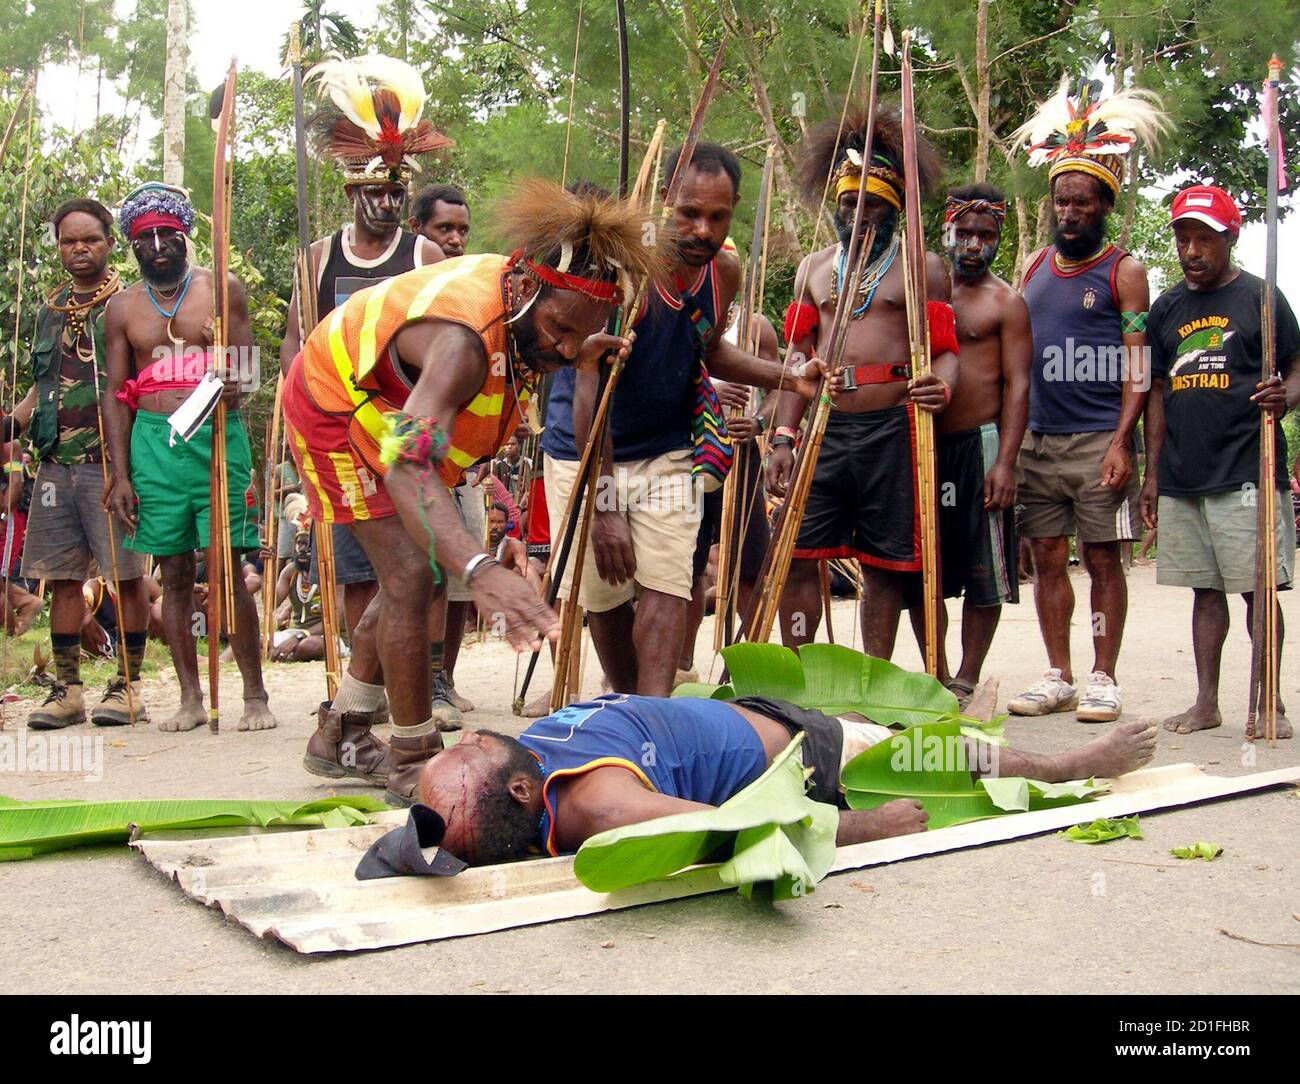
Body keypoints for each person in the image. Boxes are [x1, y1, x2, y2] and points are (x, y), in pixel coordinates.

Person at [284, 178, 668, 802]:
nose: (566, 348)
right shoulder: (464, 342)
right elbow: (408, 468)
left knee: (409, 573)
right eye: (560, 330)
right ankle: (412, 758)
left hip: (390, 408)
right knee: (413, 573)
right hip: (333, 401)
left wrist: (582, 355)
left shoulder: (533, 310)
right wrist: (480, 566)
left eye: (582, 334)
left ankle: (341, 730)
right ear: (522, 290)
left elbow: (432, 438)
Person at [540, 148, 833, 698]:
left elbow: (709, 349)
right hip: (582, 450)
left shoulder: (722, 271)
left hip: (669, 449)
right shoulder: (617, 265)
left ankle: (658, 719)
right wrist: (602, 508)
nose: (703, 230)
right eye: (688, 214)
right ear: (661, 202)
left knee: (670, 584)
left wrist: (788, 378)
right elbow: (587, 385)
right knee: (604, 597)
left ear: (734, 210)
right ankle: (631, 710)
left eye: (717, 217)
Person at [416, 687, 1159, 865]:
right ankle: (1066, 765)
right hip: (804, 754)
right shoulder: (602, 810)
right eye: (472, 747)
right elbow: (724, 834)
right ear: (520, 791)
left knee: (908, 730)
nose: (472, 734)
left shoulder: (498, 782)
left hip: (738, 711)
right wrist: (857, 827)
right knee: (932, 751)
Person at [281, 57, 449, 707]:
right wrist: (298, 451)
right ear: (353, 193)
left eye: (396, 190)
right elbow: (299, 349)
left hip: (405, 428)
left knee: (421, 566)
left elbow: (444, 344)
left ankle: (391, 687)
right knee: (361, 574)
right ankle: (367, 692)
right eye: (376, 192)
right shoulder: (317, 261)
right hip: (339, 431)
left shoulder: (423, 257)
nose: (388, 201)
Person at [768, 105, 959, 658]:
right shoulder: (812, 269)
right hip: (825, 427)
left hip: (892, 430)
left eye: (872, 206)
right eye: (849, 205)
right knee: (797, 552)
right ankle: (800, 677)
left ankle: (871, 681)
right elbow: (797, 358)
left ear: (894, 208)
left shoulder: (923, 268)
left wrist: (939, 387)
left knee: (886, 562)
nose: (858, 217)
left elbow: (948, 355)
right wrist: (784, 436)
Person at [1007, 77, 1167, 723]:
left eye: (1082, 203)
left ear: (1103, 205)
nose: (1069, 212)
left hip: (1099, 439)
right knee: (1047, 557)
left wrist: (1123, 441)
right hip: (1039, 440)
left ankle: (1103, 675)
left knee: (1103, 559)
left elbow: (1141, 368)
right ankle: (1058, 674)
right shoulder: (1034, 266)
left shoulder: (1124, 271)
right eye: (1061, 202)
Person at [101, 182, 275, 733]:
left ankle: (253, 696)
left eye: (166, 235)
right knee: (174, 573)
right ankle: (190, 699)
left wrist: (222, 355)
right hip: (154, 446)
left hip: (217, 439)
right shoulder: (122, 307)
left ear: (184, 237)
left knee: (225, 567)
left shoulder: (221, 289)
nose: (156, 245)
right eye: (144, 237)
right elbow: (114, 391)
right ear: (132, 245)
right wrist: (121, 473)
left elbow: (247, 375)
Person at [1140, 185, 1299, 739]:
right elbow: (1156, 391)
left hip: (1247, 470)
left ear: (1229, 239)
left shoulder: (1262, 298)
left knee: (1256, 587)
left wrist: (1287, 395)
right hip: (1184, 474)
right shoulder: (1167, 307)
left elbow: (1297, 368)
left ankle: (1270, 700)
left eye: (1204, 239)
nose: (1191, 250)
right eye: (1183, 238)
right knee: (1204, 591)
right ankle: (1206, 702)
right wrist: (1151, 473)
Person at [4, 199, 153, 728]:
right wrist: (11, 425)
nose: (79, 249)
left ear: (111, 243)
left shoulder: (132, 304)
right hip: (54, 466)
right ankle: (67, 690)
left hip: (110, 465)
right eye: (69, 241)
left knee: (125, 577)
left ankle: (129, 685)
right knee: (63, 580)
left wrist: (130, 470)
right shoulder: (49, 310)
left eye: (90, 239)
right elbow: (44, 387)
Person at [926, 184, 1031, 704]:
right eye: (964, 232)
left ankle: (967, 674)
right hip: (926, 446)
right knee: (929, 564)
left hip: (982, 445)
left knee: (983, 570)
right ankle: (936, 671)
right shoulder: (923, 291)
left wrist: (1006, 462)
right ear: (947, 229)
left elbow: (1019, 385)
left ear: (998, 239)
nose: (973, 244)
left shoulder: (1005, 302)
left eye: (985, 235)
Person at [679, 313, 778, 681]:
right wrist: (707, 396)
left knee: (748, 565)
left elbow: (780, 384)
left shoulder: (754, 326)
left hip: (739, 452)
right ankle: (680, 668)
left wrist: (760, 423)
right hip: (683, 453)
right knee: (684, 568)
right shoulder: (676, 314)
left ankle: (758, 670)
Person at [271, 530, 327, 662]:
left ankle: (284, 655)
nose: (302, 549)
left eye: (308, 545)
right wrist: (270, 566)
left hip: (326, 636)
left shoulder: (330, 571)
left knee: (308, 646)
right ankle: (221, 662)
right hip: (295, 634)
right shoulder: (291, 572)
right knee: (255, 641)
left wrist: (300, 636)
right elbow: (271, 603)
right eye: (300, 543)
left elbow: (337, 619)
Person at [409, 183, 470, 258]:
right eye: (445, 229)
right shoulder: (395, 268)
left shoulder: (478, 268)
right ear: (415, 226)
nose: (456, 240)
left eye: (463, 232)